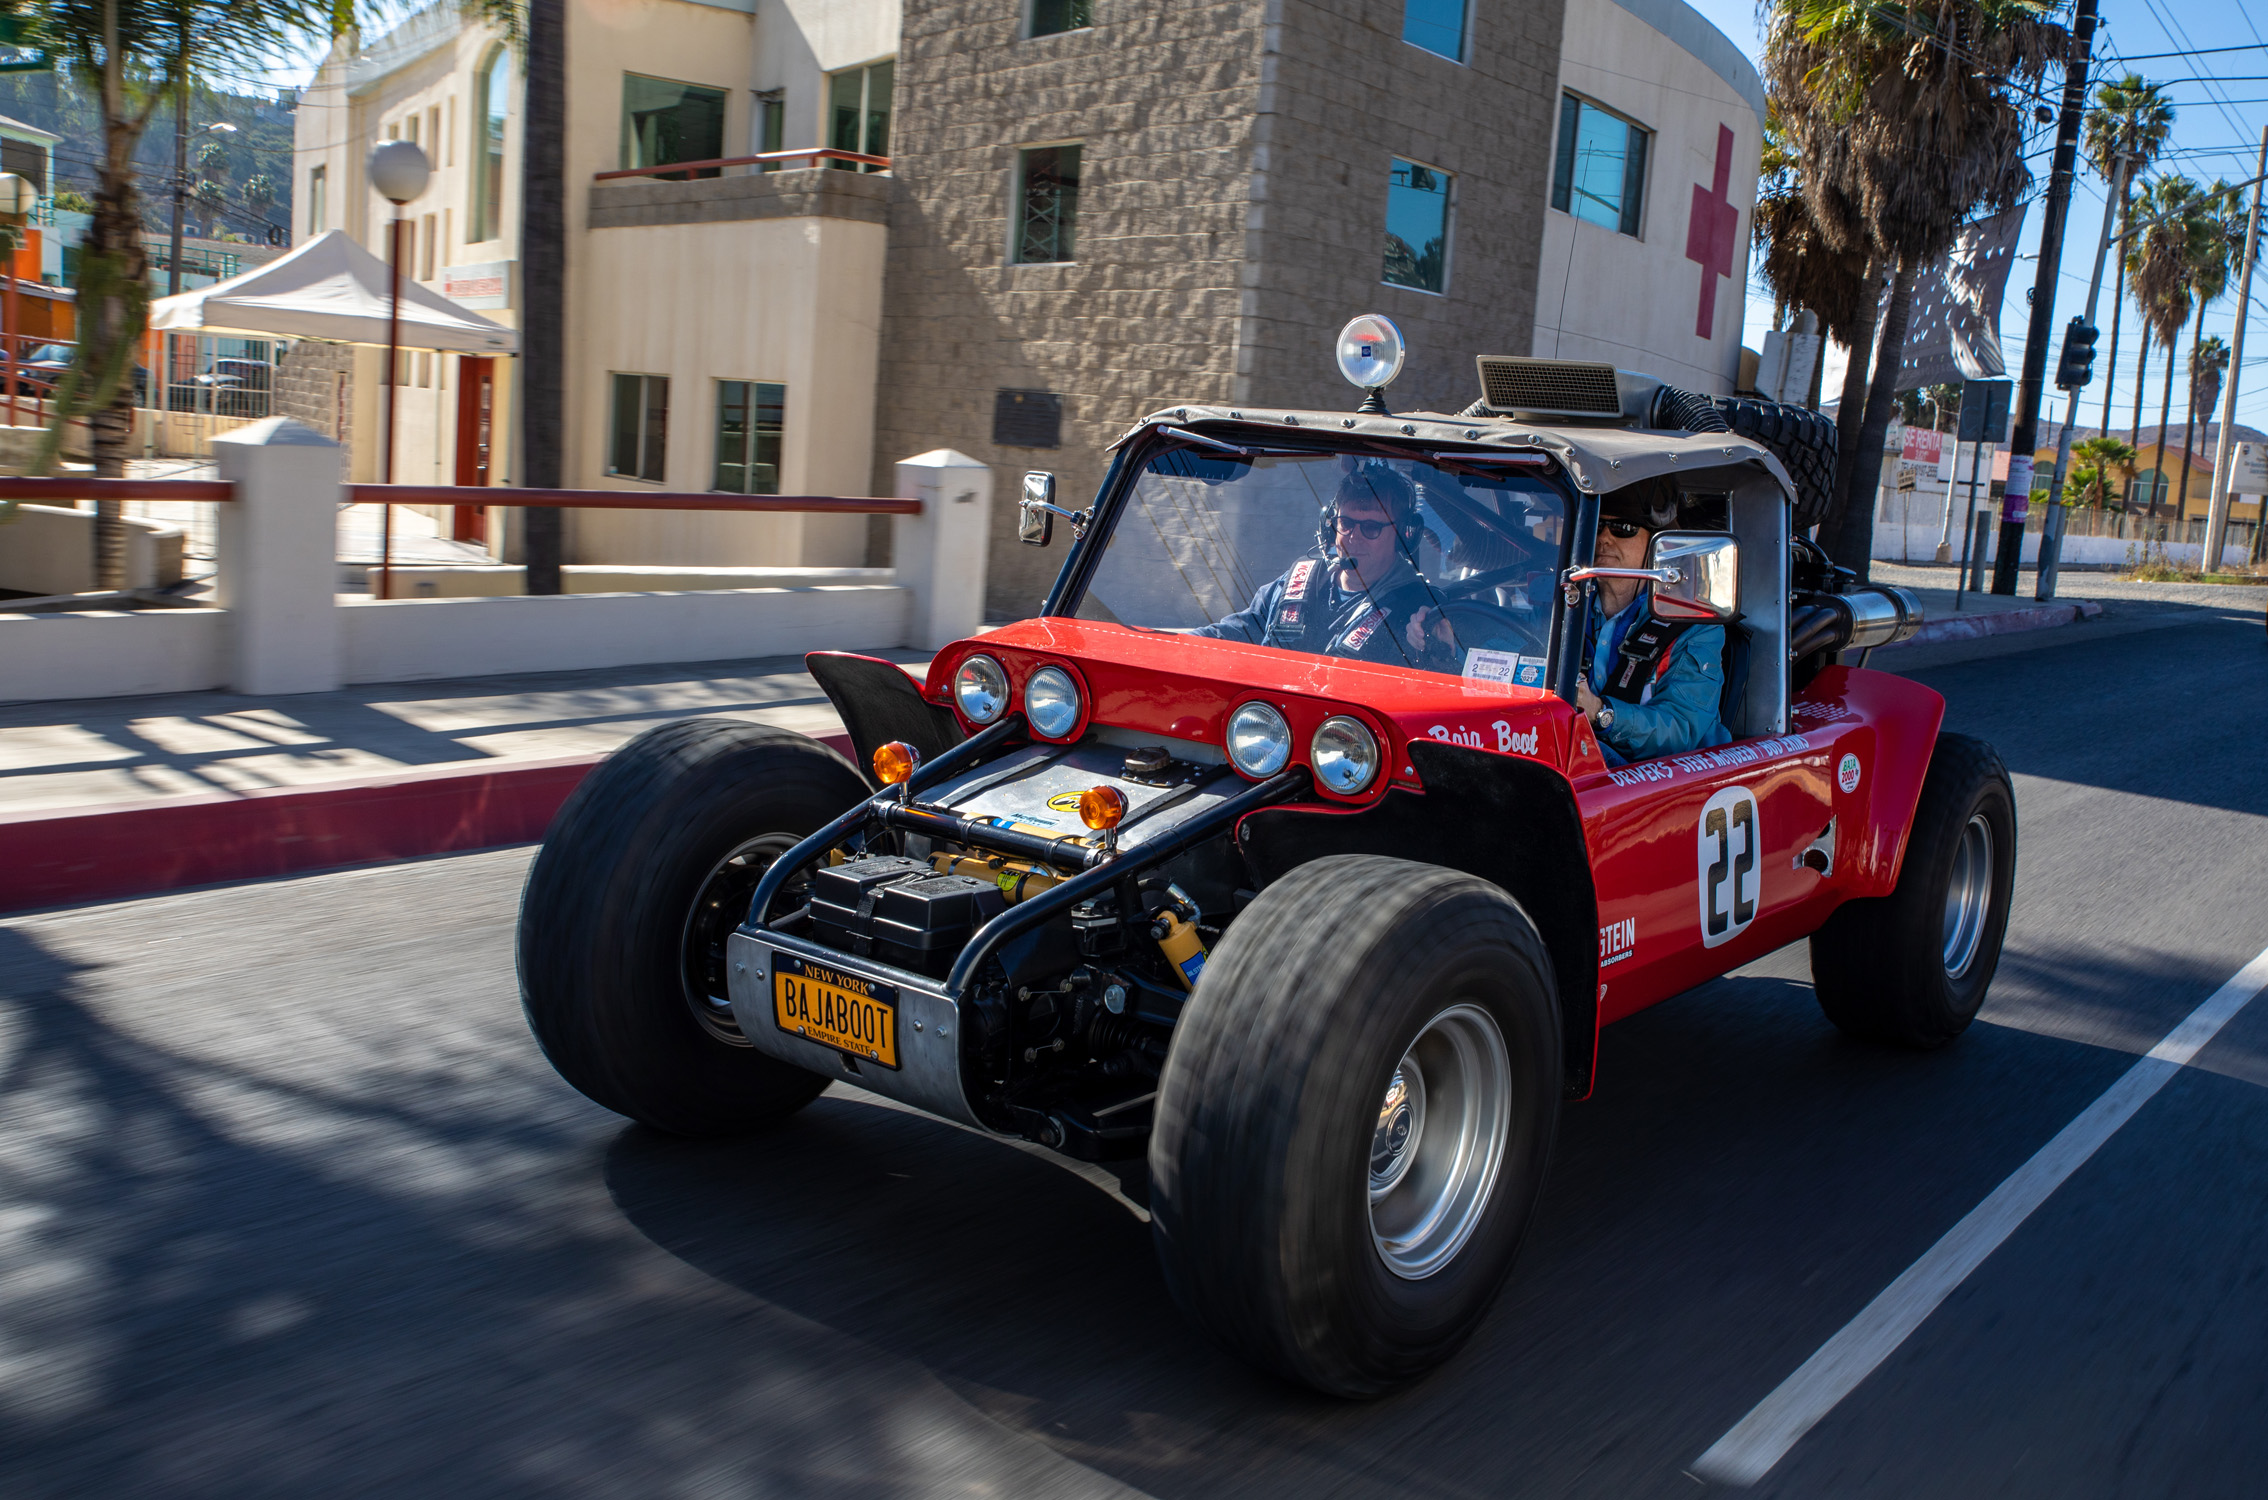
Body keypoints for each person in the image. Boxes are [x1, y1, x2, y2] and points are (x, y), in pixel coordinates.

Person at [1194, 466, 1460, 671]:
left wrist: (1434, 650)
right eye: (1346, 524)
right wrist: (1168, 644)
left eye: (1371, 528)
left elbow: (1441, 680)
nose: (1354, 537)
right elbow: (1239, 632)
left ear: (1403, 535)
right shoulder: (1297, 582)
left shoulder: (1422, 609)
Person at [1572, 480, 1734, 765]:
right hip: (1585, 768)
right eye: (1597, 526)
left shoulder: (1693, 623)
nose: (1604, 538)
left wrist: (1599, 712)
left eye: (1623, 529)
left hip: (1673, 783)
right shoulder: (1566, 608)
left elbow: (1680, 729)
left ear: (1660, 544)